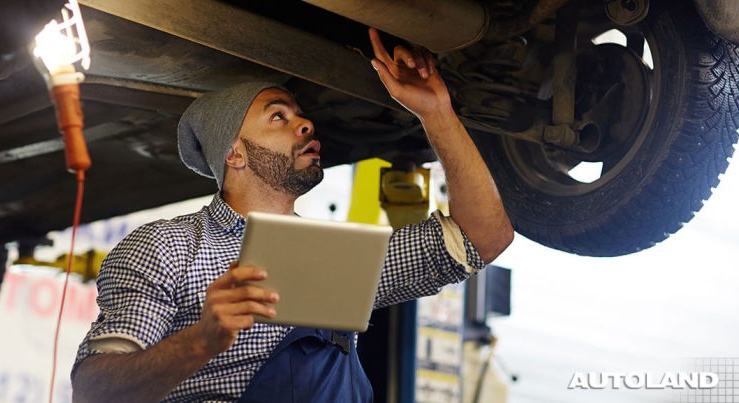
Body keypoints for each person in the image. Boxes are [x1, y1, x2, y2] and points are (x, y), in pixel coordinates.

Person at [71, 28, 513, 402]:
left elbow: (484, 236)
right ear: (235, 153)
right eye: (278, 117)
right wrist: (201, 340)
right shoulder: (169, 247)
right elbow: (94, 389)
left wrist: (435, 112)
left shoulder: (333, 262)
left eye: (301, 116)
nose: (305, 125)